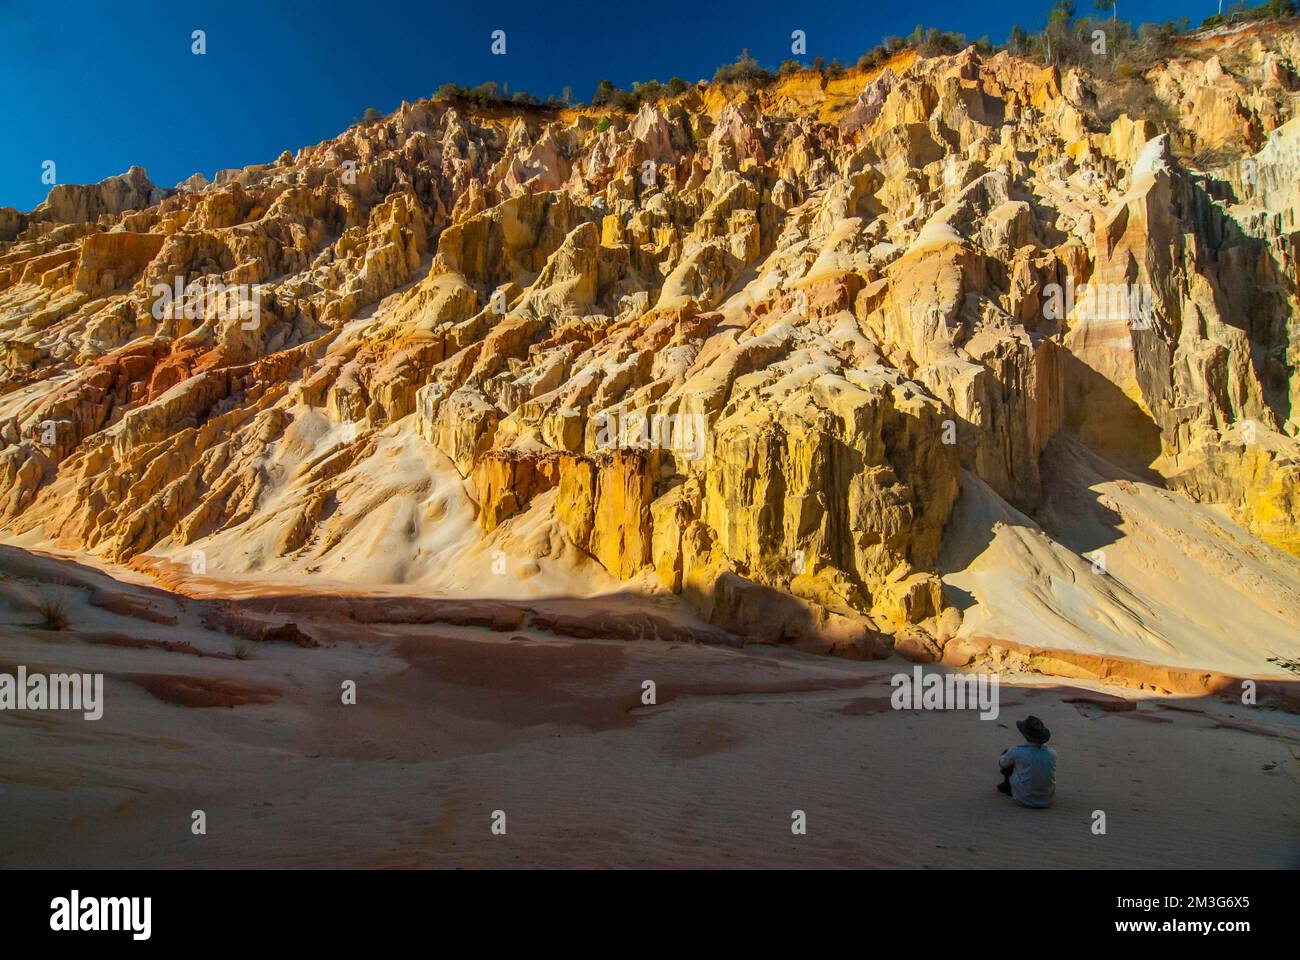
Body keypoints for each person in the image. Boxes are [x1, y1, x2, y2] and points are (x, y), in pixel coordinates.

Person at [997, 716, 1056, 808]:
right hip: (1047, 800)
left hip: (1023, 799)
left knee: (1007, 757)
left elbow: (1002, 763)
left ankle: (1008, 787)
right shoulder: (1052, 753)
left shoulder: (1017, 751)